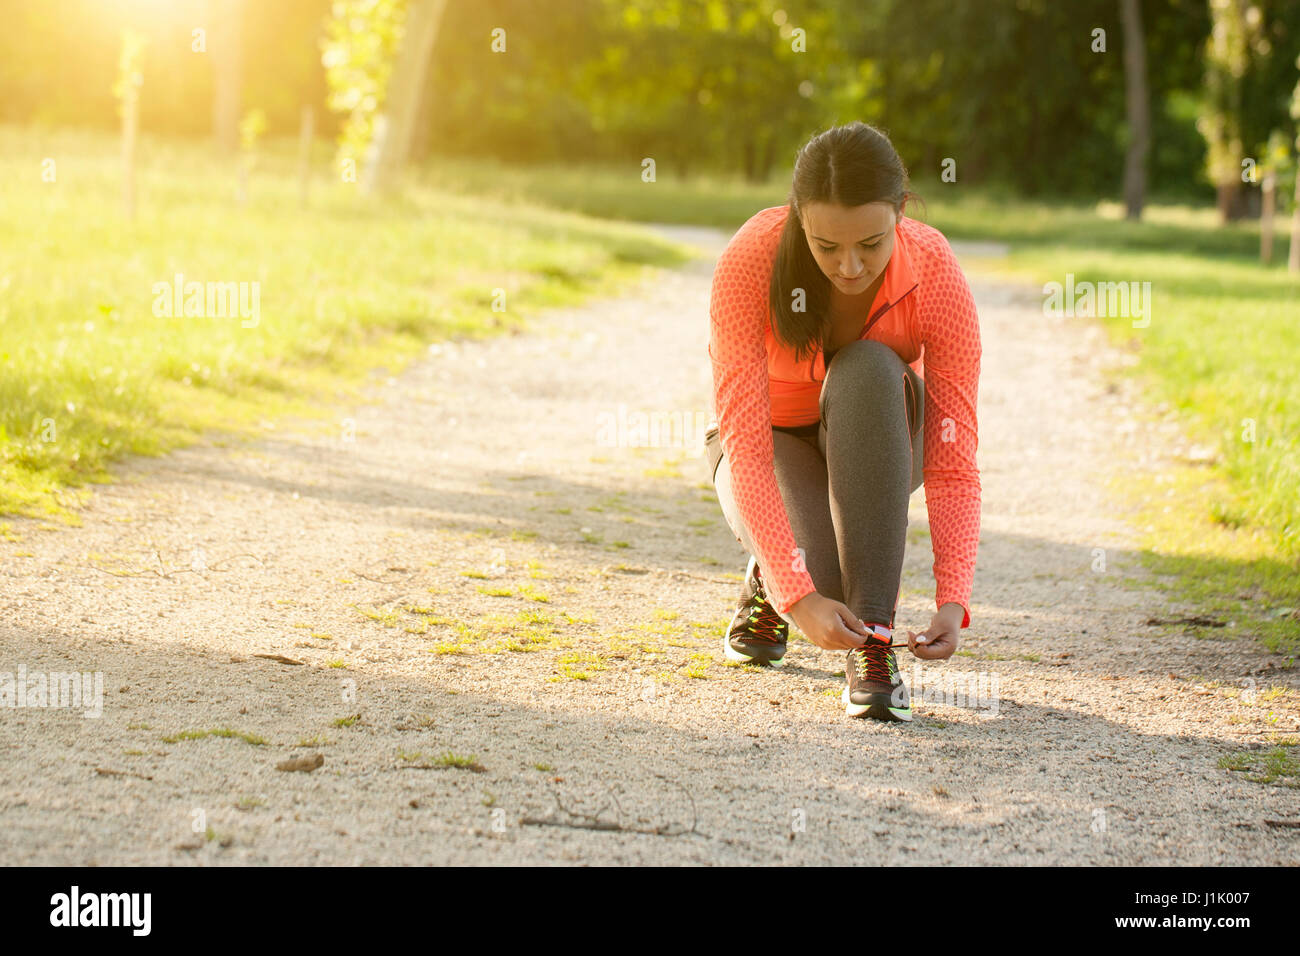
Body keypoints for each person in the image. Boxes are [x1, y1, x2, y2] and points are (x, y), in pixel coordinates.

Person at [703, 120, 982, 722]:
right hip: (771, 441)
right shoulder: (751, 258)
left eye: (871, 243)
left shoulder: (935, 270)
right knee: (819, 581)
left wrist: (952, 598)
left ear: (902, 213)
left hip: (878, 439)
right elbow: (747, 450)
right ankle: (771, 578)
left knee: (867, 368)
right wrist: (798, 596)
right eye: (826, 247)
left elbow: (952, 455)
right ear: (799, 217)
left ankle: (875, 642)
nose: (850, 266)